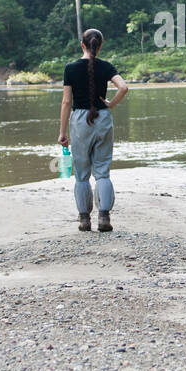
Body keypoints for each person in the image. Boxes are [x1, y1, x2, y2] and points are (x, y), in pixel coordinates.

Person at [58, 28, 128, 231]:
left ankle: (84, 220)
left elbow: (66, 101)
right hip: (102, 117)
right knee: (102, 172)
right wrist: (111, 104)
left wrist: (62, 132)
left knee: (81, 174)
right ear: (99, 46)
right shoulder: (106, 67)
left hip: (80, 120)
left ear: (82, 44)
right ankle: (104, 218)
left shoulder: (70, 68)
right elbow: (123, 87)